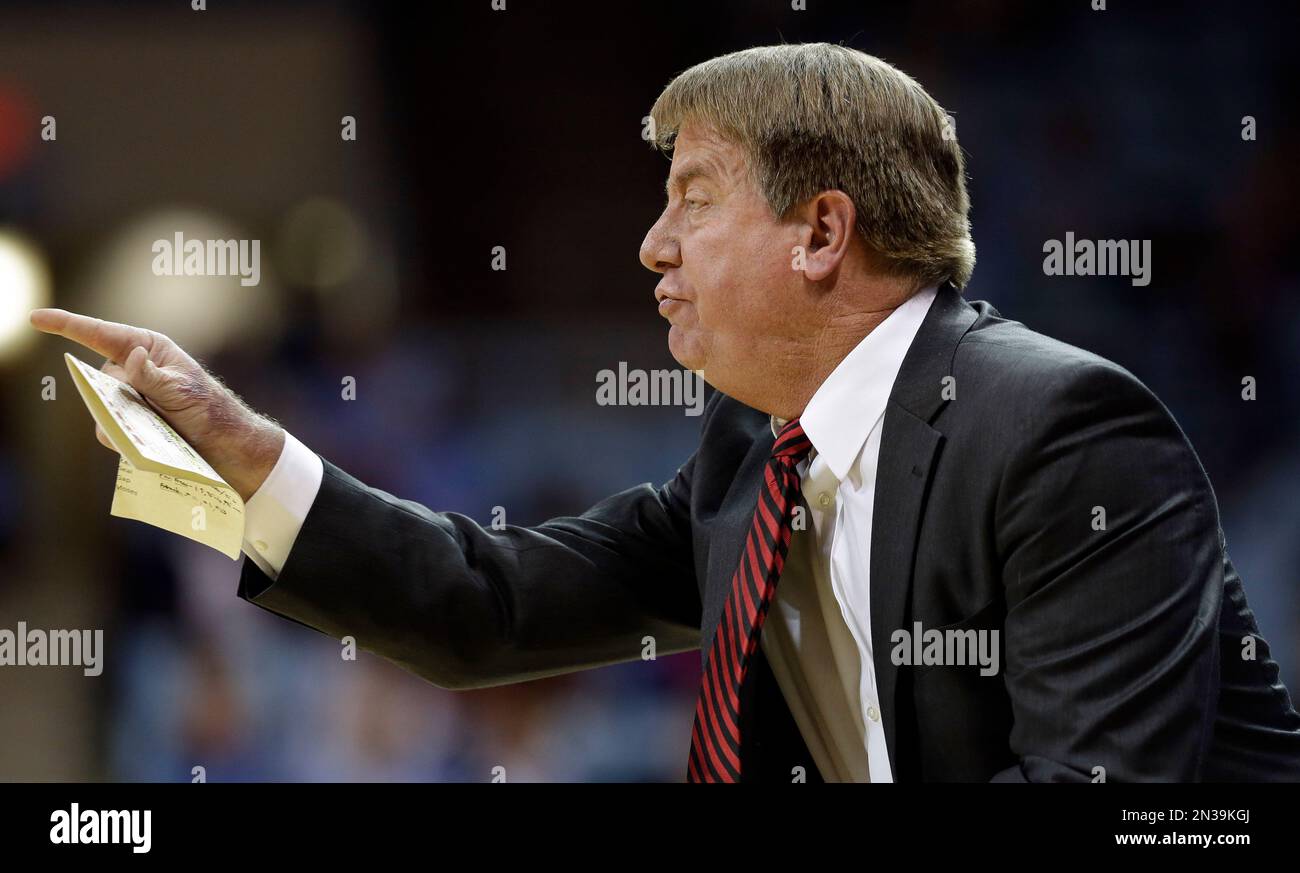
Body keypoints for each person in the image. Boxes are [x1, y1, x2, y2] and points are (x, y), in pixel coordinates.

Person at [32, 43, 1300, 782]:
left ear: (821, 232)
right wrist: (248, 455)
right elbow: (490, 606)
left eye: (691, 198)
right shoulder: (761, 448)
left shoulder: (1068, 433)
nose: (650, 246)